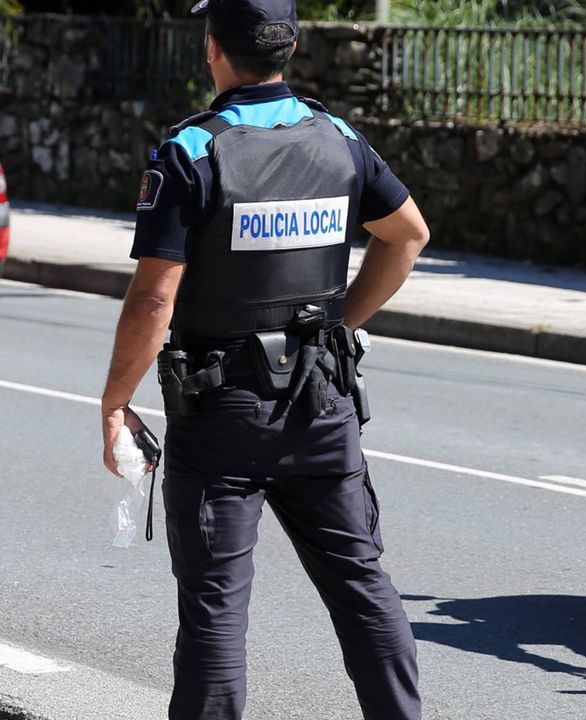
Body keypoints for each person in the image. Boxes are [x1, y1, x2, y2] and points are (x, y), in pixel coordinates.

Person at [98, 1, 429, 717]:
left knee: (216, 612)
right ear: (292, 47)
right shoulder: (338, 139)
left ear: (212, 49)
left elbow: (156, 299)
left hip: (221, 416)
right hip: (321, 403)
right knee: (362, 586)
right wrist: (340, 319)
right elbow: (407, 235)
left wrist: (115, 403)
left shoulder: (190, 151)